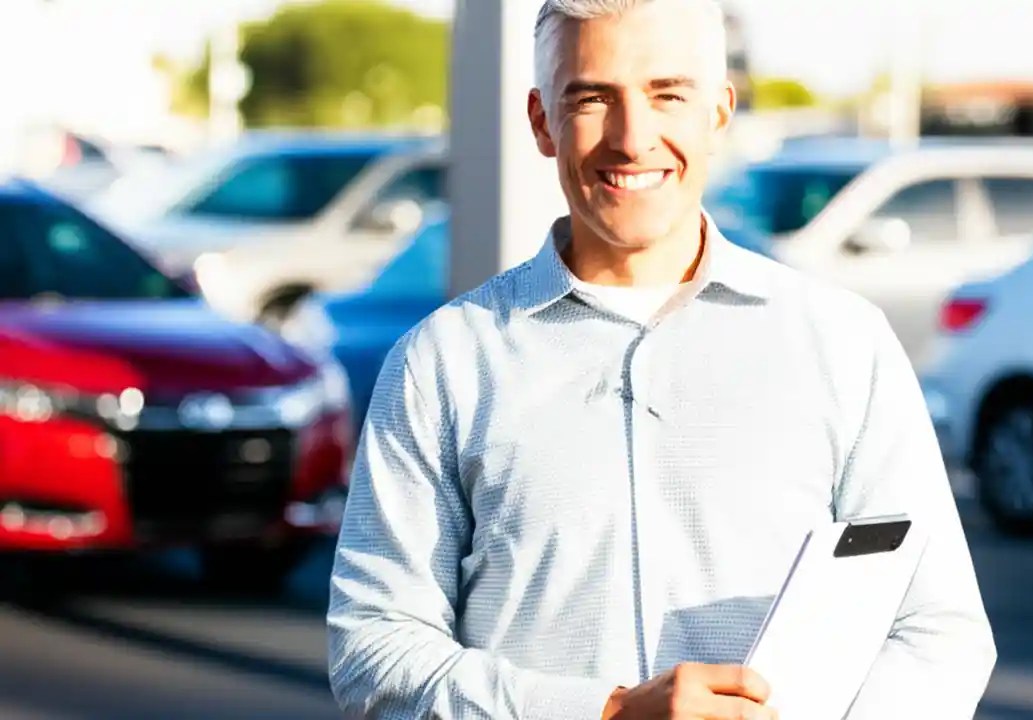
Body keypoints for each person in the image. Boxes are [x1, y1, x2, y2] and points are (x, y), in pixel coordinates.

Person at [327, 0, 997, 717]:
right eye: (591, 98)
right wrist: (606, 712)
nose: (631, 137)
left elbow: (938, 631)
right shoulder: (442, 364)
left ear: (718, 111)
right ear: (541, 121)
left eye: (667, 94)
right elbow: (376, 653)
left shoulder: (842, 346)